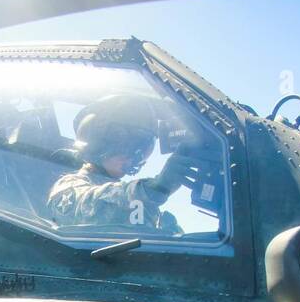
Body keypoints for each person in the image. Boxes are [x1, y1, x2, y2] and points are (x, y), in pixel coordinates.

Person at [47, 93, 195, 232]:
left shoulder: (136, 203)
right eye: (125, 143)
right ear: (96, 139)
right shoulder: (67, 187)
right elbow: (91, 206)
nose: (133, 154)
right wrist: (158, 187)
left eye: (141, 146)